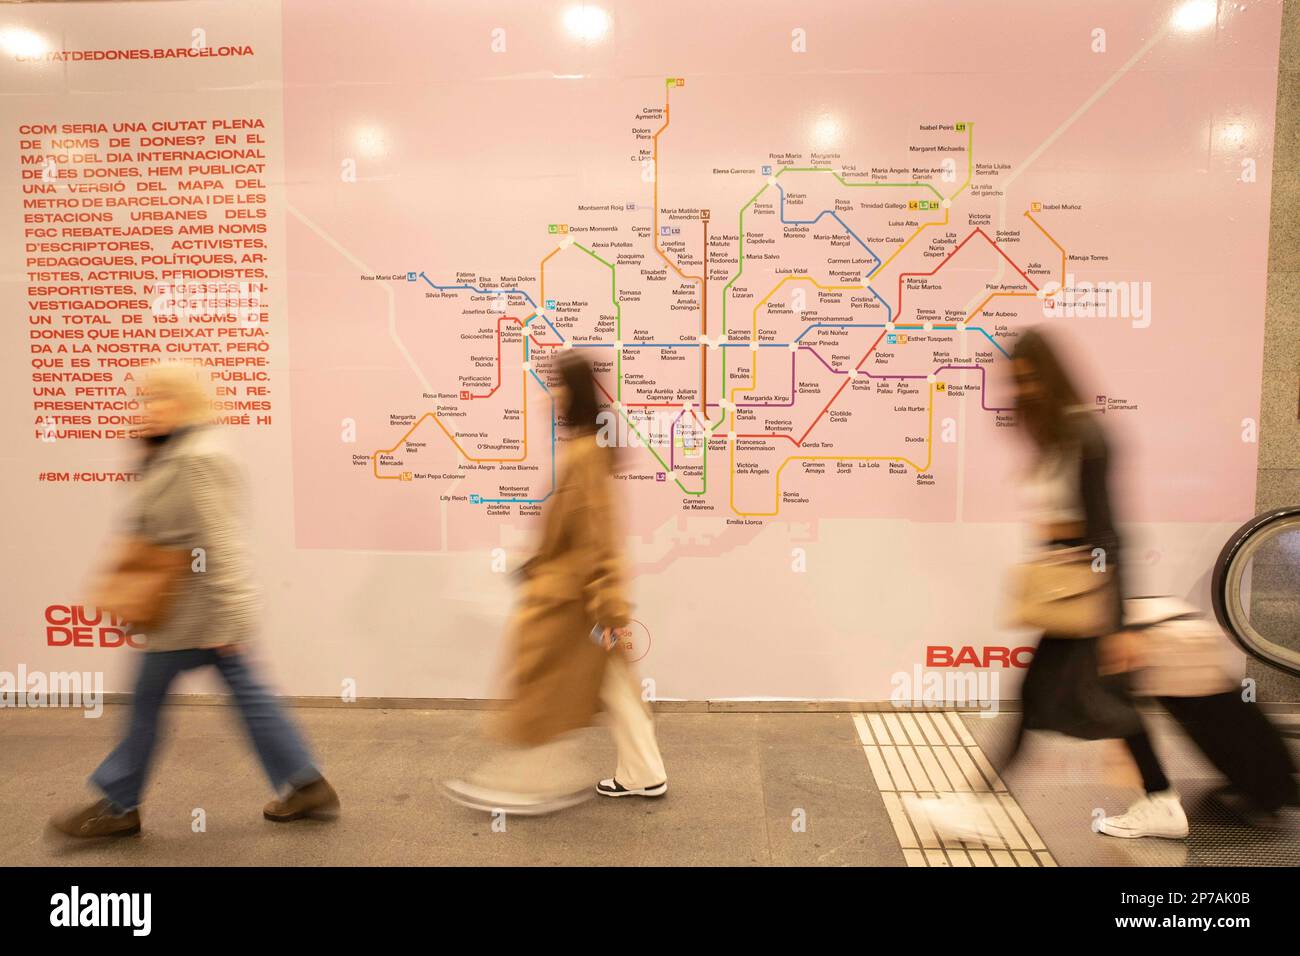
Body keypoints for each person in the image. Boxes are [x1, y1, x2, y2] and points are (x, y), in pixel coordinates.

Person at [912, 327, 1186, 843]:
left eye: (1034, 378)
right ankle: (1160, 798)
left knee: (1073, 698)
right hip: (1073, 594)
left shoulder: (1086, 438)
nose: (1027, 390)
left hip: (1089, 597)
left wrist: (1119, 623)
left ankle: (979, 804)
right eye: (1019, 381)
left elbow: (1107, 532)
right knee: (1081, 700)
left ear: (1054, 376)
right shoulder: (1061, 437)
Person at [50, 363, 338, 839]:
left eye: (159, 399)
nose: (147, 409)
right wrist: (149, 450)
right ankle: (306, 782)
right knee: (248, 697)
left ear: (185, 402)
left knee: (148, 703)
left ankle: (119, 805)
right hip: (189, 613)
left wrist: (229, 619)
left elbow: (219, 540)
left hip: (194, 613)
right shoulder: (181, 448)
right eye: (145, 400)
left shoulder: (198, 456)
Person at [443, 352, 666, 814]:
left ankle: (533, 783)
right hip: (585, 596)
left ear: (574, 391)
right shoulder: (590, 447)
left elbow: (600, 533)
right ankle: (644, 774)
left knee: (548, 691)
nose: (552, 397)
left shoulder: (586, 453)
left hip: (578, 600)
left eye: (558, 386)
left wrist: (609, 605)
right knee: (613, 682)